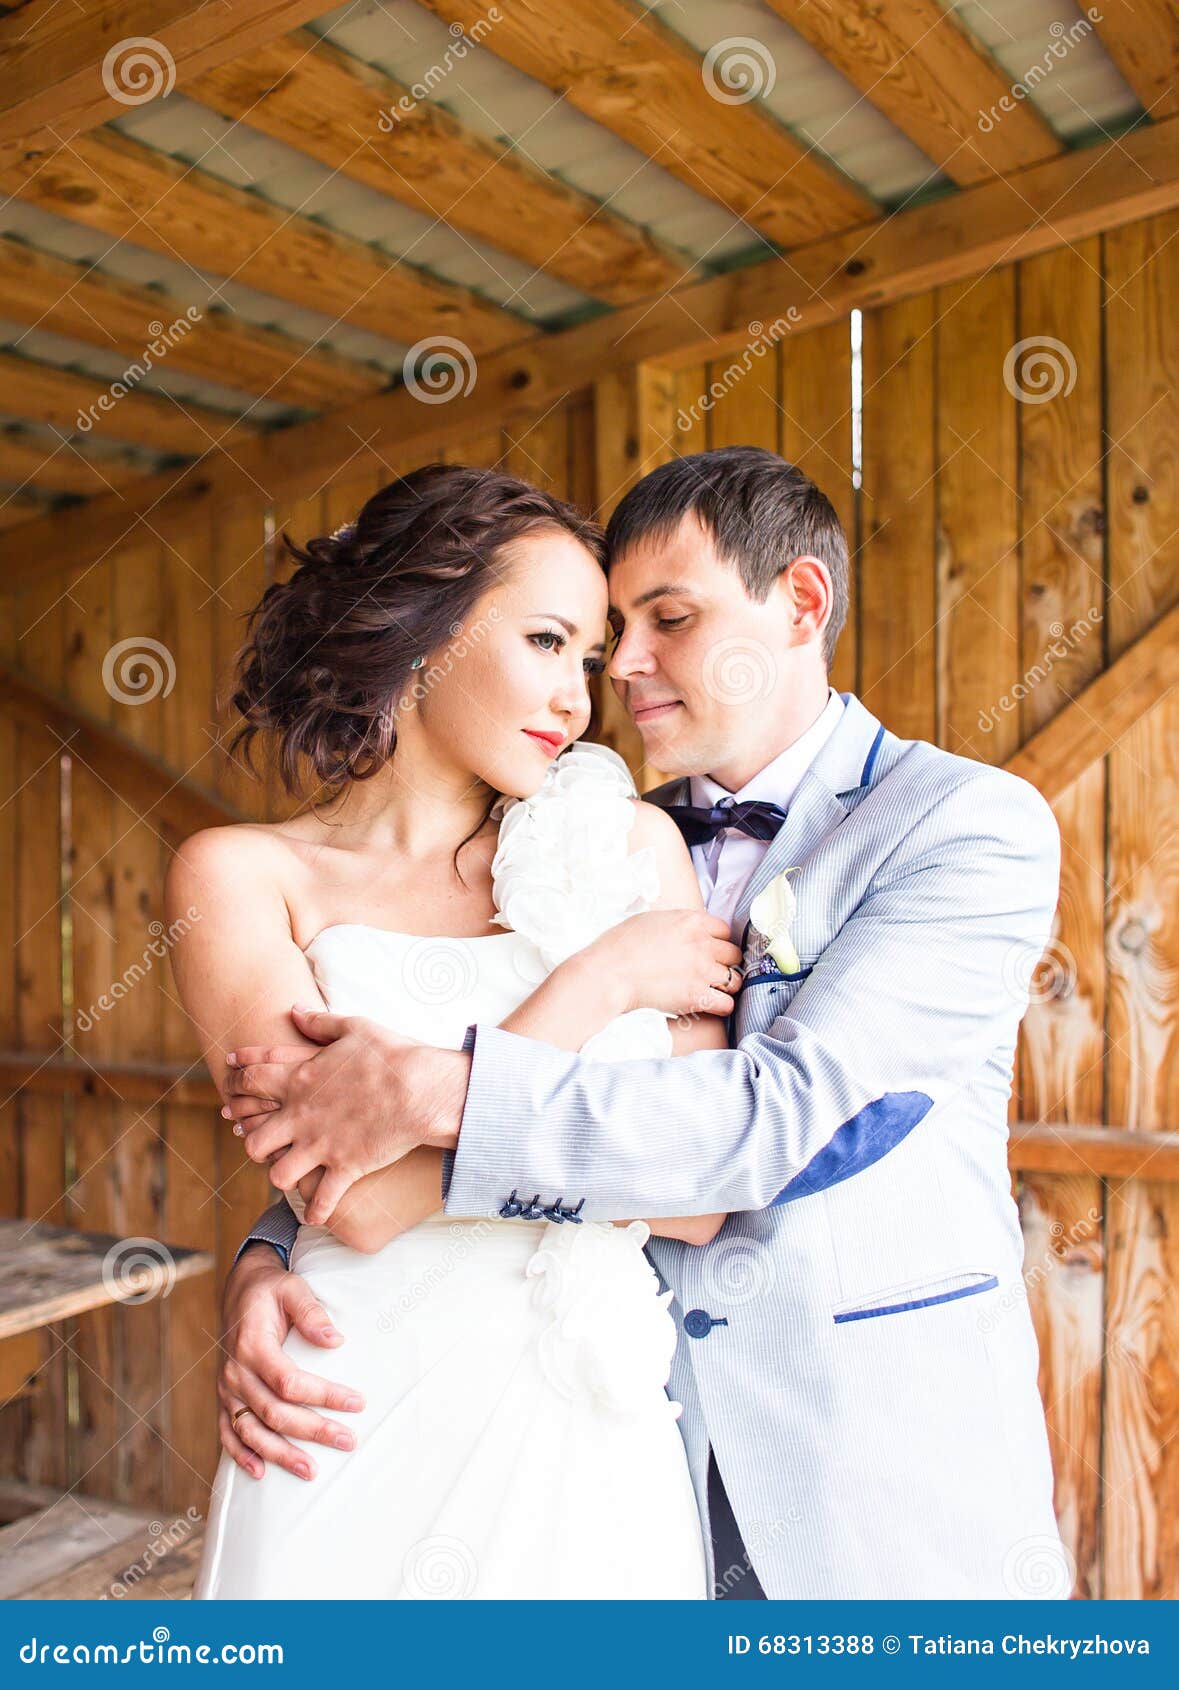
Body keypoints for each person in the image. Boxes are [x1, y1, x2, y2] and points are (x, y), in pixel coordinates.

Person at [223, 446, 1070, 1600]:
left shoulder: (963, 825)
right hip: (633, 1438)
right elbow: (358, 1115)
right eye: (600, 630)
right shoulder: (595, 832)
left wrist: (429, 1090)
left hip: (868, 1472)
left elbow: (778, 1117)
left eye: (665, 618)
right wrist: (274, 1246)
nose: (620, 668)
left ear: (801, 602)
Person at [168, 463, 748, 1600]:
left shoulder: (630, 850)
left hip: (588, 1424)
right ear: (425, 632)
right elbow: (362, 1206)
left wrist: (426, 1120)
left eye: (589, 661)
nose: (581, 701)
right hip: (347, 1408)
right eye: (546, 642)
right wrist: (596, 983)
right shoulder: (245, 876)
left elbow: (695, 1186)